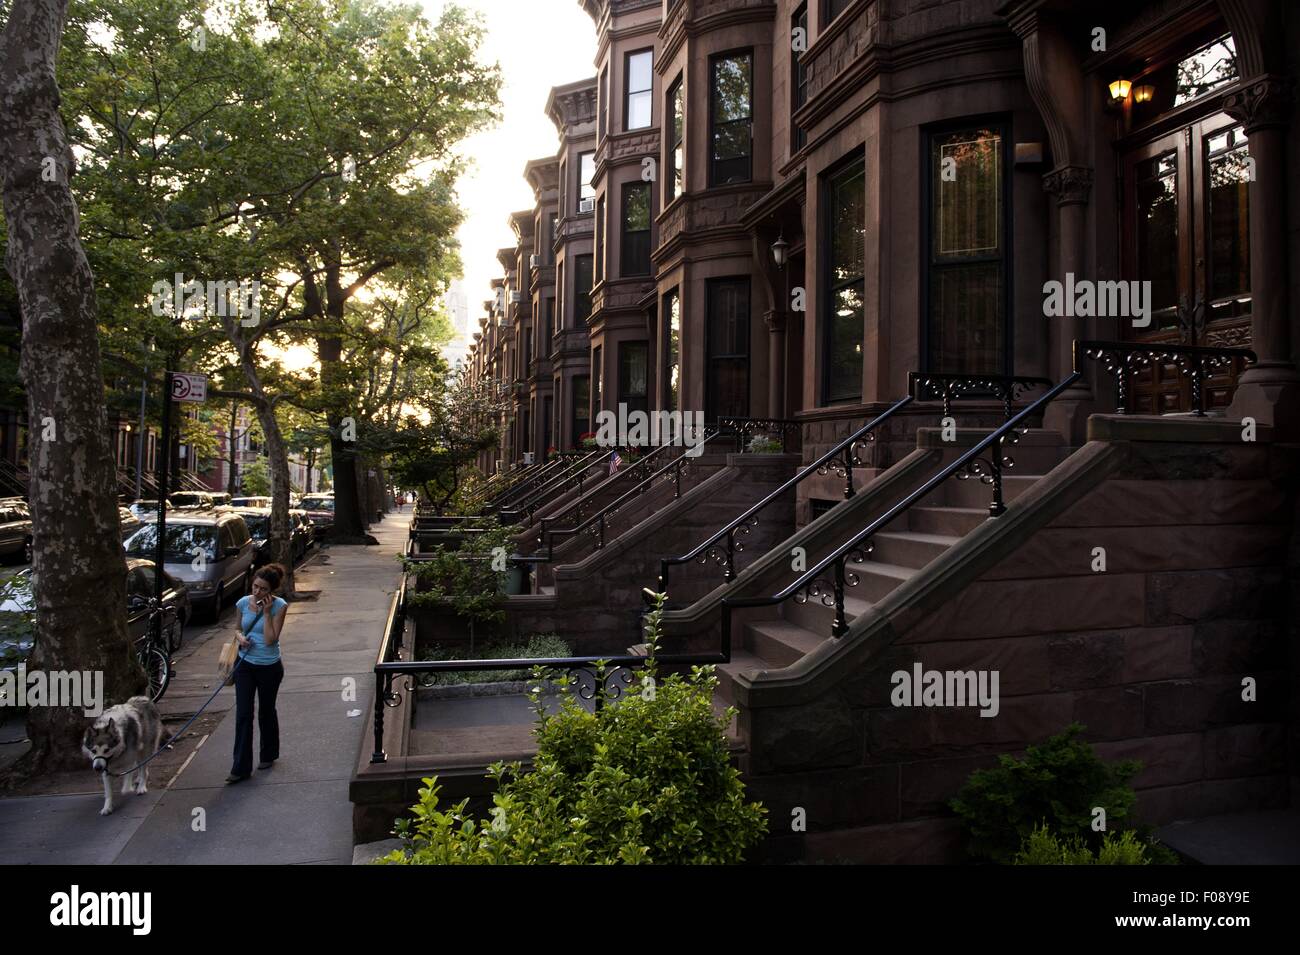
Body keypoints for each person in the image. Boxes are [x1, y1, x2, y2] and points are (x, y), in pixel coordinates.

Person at [227, 563, 288, 783]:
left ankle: (268, 753)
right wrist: (240, 638)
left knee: (266, 710)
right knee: (243, 713)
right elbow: (237, 629)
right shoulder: (243, 603)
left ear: (271, 590)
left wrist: (267, 612)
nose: (257, 592)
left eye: (263, 589)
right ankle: (240, 767)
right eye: (255, 586)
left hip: (269, 666)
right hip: (245, 663)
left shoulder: (279, 606)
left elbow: (271, 639)